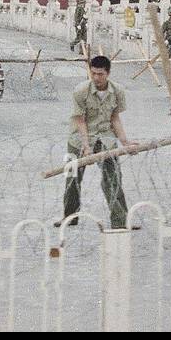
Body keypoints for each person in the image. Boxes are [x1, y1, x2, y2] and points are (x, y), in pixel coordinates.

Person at [60, 55, 137, 230]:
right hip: (78, 140)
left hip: (106, 139)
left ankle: (120, 220)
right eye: (93, 73)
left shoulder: (117, 91)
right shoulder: (80, 91)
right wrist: (86, 146)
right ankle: (70, 217)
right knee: (72, 179)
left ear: (108, 73)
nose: (96, 77)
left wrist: (125, 142)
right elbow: (80, 120)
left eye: (100, 74)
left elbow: (115, 118)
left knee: (113, 179)